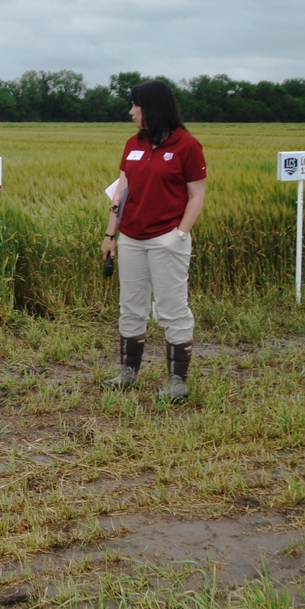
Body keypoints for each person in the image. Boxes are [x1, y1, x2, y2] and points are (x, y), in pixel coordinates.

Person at [100, 79, 207, 402]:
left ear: (153, 108)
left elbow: (197, 195)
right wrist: (110, 234)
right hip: (132, 237)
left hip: (166, 239)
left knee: (172, 309)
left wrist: (180, 235)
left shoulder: (186, 145)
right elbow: (122, 192)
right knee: (130, 307)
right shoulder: (133, 144)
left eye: (137, 105)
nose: (131, 111)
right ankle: (128, 373)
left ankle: (177, 381)